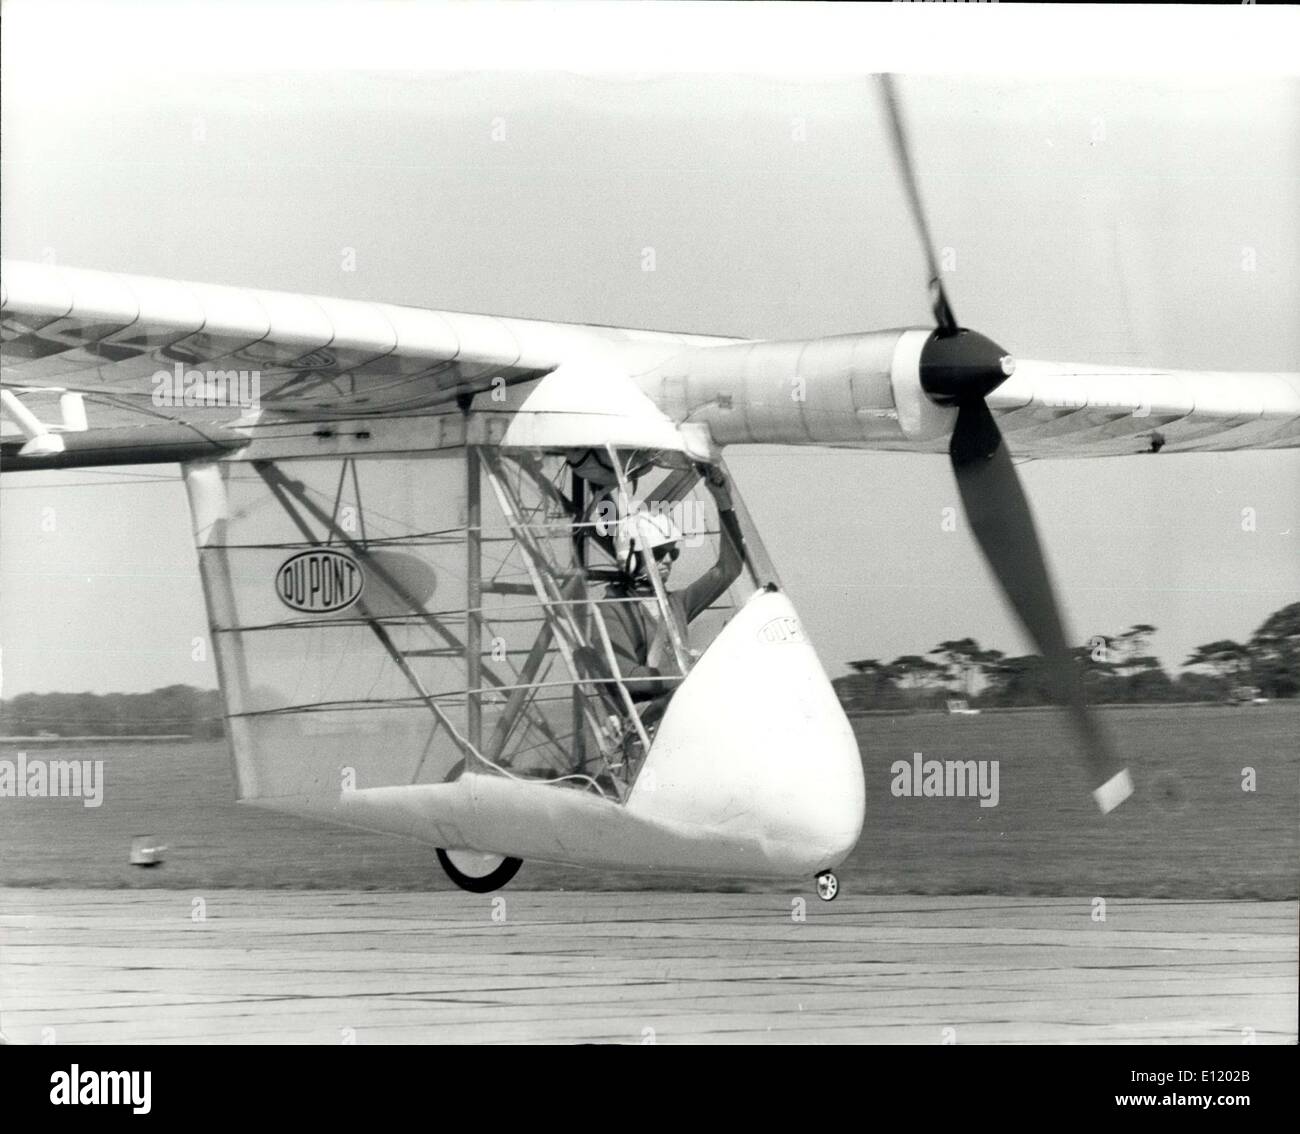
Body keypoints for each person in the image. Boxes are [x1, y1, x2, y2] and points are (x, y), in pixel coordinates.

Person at [595, 464, 744, 731]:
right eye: (659, 552)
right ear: (632, 556)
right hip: (648, 718)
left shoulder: (674, 603)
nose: (667, 560)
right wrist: (691, 673)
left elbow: (728, 570)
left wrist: (723, 502)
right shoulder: (612, 610)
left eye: (672, 553)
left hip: (682, 704)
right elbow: (627, 677)